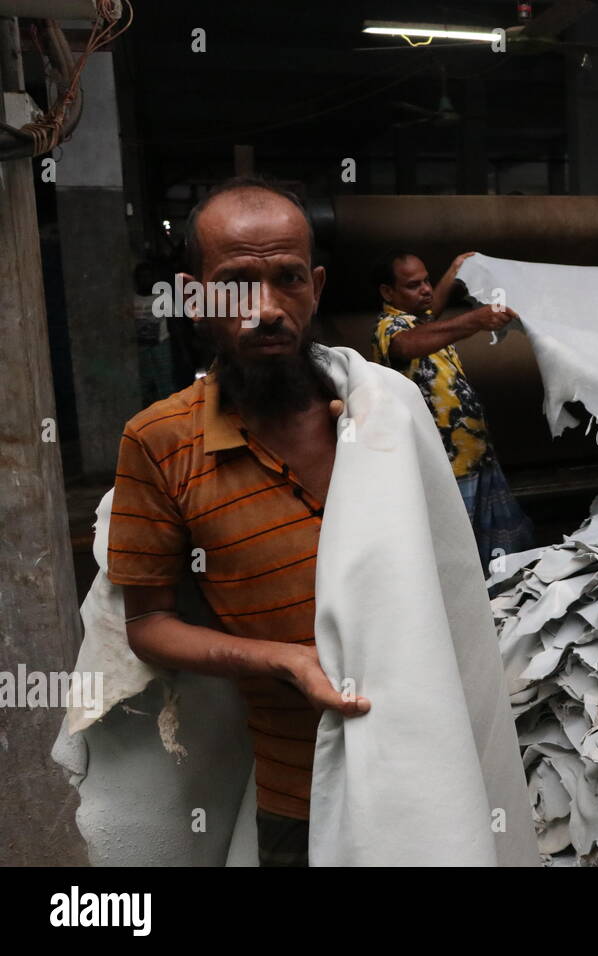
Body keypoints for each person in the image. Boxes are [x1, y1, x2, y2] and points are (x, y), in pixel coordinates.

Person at [108, 178, 396, 866]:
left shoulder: (387, 413)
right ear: (195, 295)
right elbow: (147, 626)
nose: (267, 309)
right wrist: (280, 659)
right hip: (300, 789)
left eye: (288, 279)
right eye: (236, 283)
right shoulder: (159, 442)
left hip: (426, 754)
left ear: (317, 287)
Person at [370, 251, 533, 569]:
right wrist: (474, 320)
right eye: (413, 285)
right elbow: (406, 344)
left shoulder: (421, 320)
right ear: (387, 293)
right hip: (447, 471)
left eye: (427, 281)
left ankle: (503, 604)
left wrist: (455, 268)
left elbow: (432, 313)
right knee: (456, 554)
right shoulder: (387, 328)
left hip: (477, 458)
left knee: (504, 550)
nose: (426, 289)